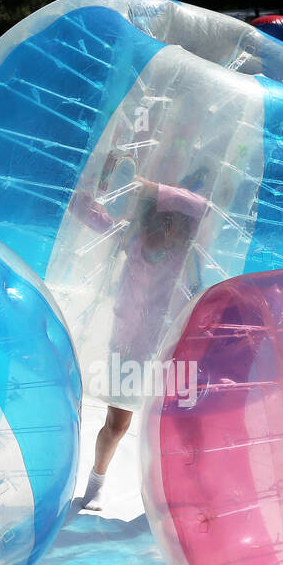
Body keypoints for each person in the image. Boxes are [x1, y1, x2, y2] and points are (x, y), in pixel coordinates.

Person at [77, 174, 209, 511]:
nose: (163, 231)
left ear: (181, 227)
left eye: (171, 223)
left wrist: (152, 186)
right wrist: (105, 179)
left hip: (172, 349)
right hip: (129, 346)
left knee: (176, 426)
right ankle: (97, 481)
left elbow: (204, 207)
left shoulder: (185, 254)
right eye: (158, 221)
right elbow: (80, 208)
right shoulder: (130, 238)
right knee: (117, 424)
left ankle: (169, 494)